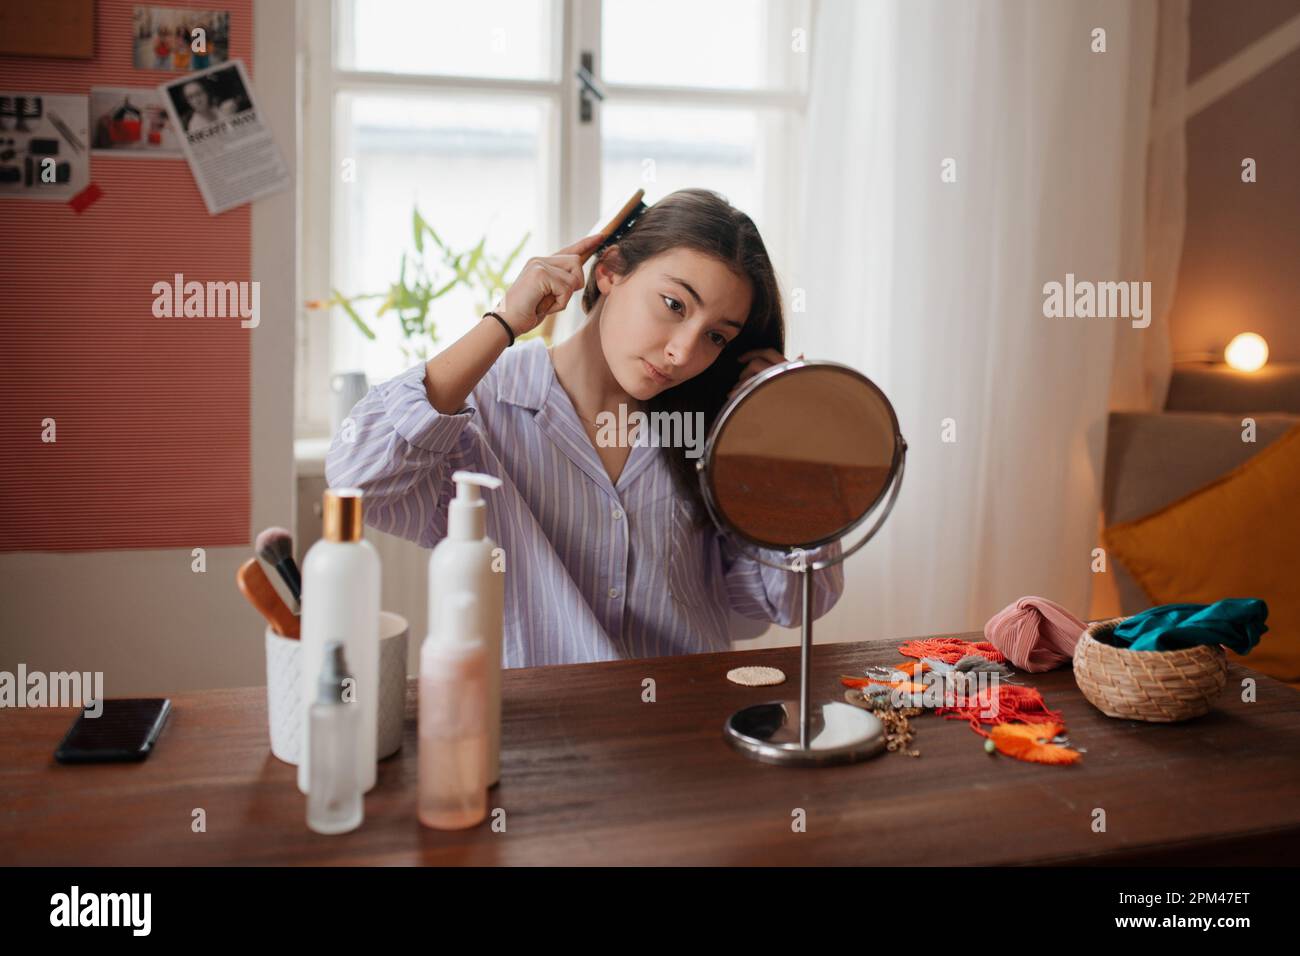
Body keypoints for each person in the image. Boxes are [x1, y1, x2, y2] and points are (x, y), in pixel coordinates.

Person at [325, 188, 844, 667]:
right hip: (535, 744)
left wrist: (781, 435)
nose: (683, 352)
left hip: (690, 735)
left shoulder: (710, 432)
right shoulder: (479, 411)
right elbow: (358, 479)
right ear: (611, 271)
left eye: (715, 336)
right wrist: (504, 322)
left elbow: (790, 599)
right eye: (673, 305)